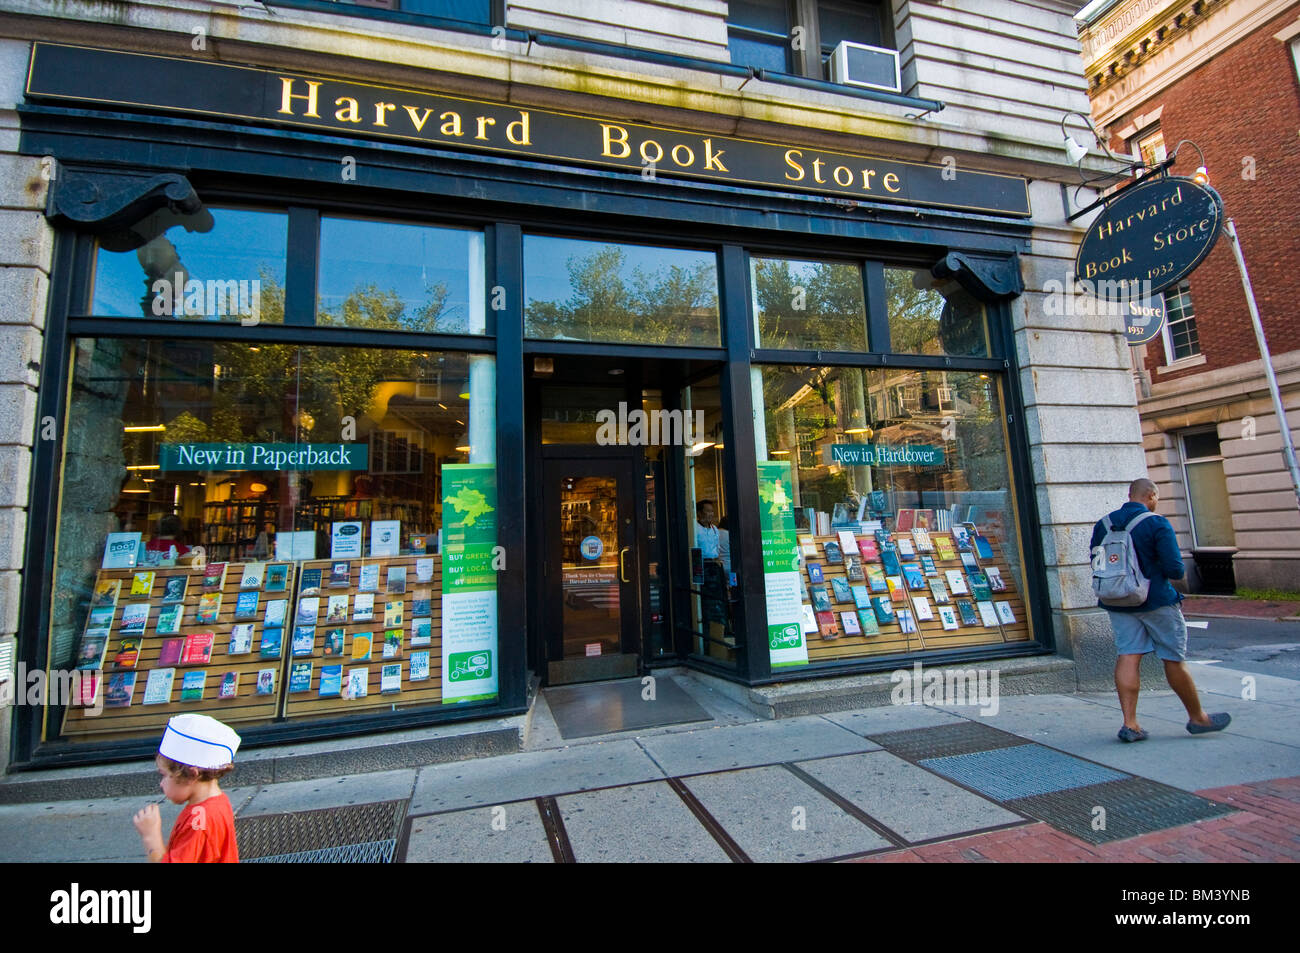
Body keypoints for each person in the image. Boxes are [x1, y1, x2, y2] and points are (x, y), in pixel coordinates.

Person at [1090, 478, 1231, 743]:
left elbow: (1096, 561)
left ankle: (1130, 724)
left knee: (1128, 654)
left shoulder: (1104, 524)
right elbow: (1175, 568)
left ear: (1129, 495)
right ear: (1151, 496)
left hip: (1118, 601)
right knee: (1172, 657)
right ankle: (1198, 717)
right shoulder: (1156, 523)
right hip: (1156, 601)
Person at [132, 713, 241, 862]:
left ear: (191, 775)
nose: (161, 783)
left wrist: (150, 836)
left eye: (164, 775)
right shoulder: (218, 801)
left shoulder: (199, 821)